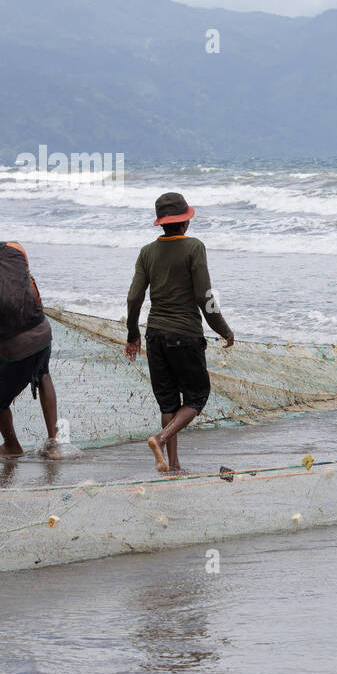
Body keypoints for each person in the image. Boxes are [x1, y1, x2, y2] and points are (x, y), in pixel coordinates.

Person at [124, 192, 235, 472]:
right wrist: (223, 329)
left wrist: (132, 334)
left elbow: (134, 297)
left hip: (155, 336)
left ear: (162, 223)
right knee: (197, 397)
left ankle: (173, 465)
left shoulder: (147, 252)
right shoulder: (194, 248)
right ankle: (160, 439)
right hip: (185, 335)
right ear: (185, 222)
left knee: (169, 402)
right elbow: (204, 296)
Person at [0, 204, 64, 459]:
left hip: (13, 348)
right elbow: (33, 291)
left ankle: (12, 446)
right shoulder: (18, 249)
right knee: (42, 374)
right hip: (43, 333)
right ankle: (54, 442)